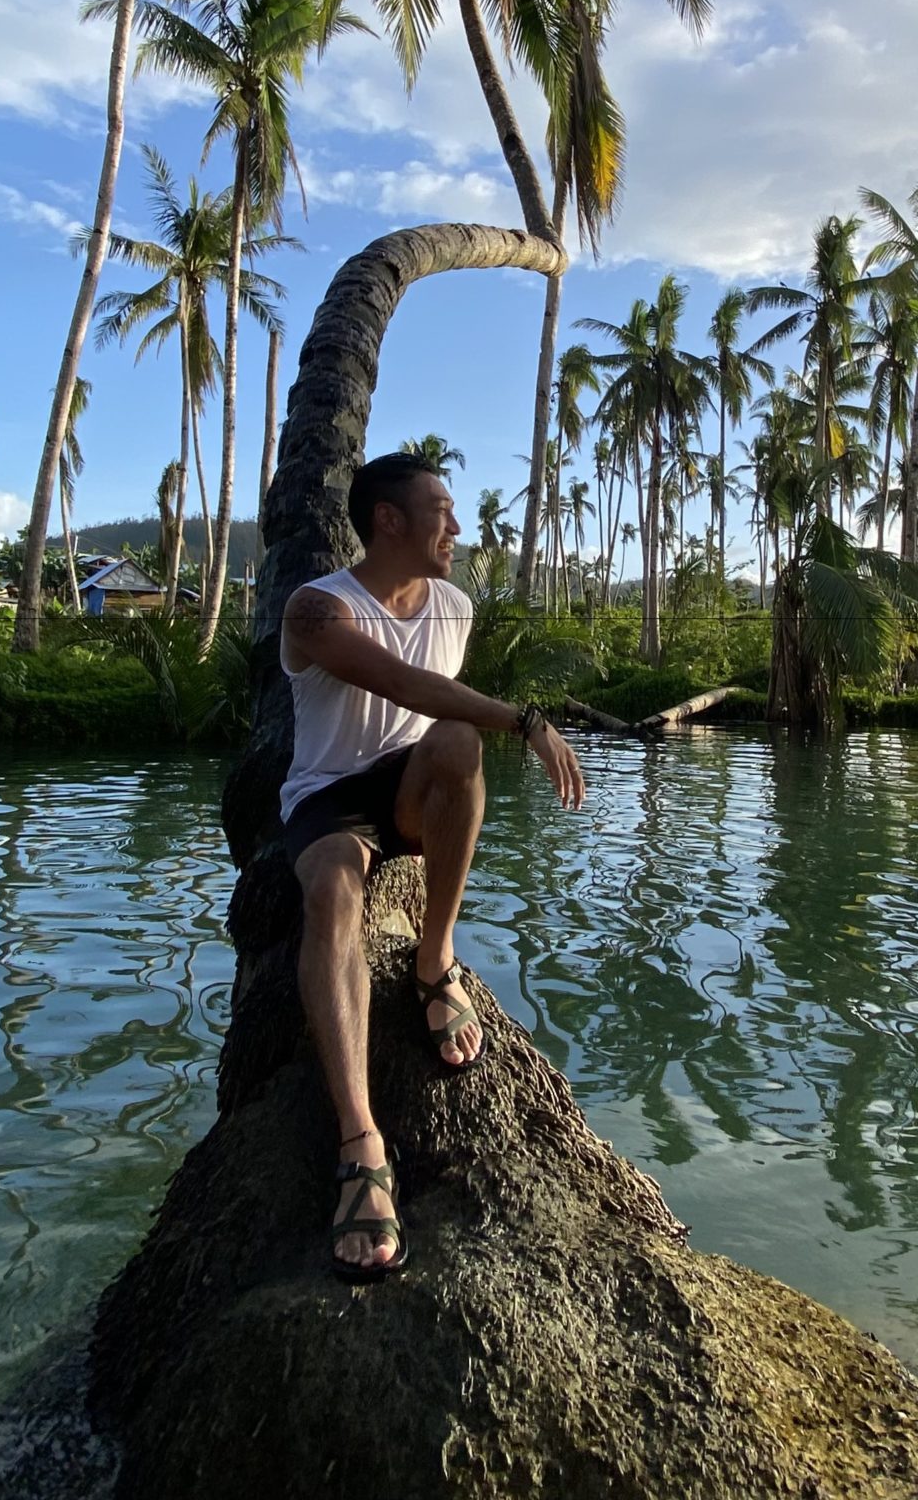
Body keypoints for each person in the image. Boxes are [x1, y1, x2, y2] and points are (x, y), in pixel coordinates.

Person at [278, 452, 587, 1283]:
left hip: (411, 788)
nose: (457, 527)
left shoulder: (455, 605)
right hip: (331, 796)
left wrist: (492, 728)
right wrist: (525, 719)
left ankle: (434, 959)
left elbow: (436, 719)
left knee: (455, 744)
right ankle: (360, 1144)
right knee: (333, 896)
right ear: (389, 520)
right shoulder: (317, 608)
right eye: (441, 510)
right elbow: (405, 682)